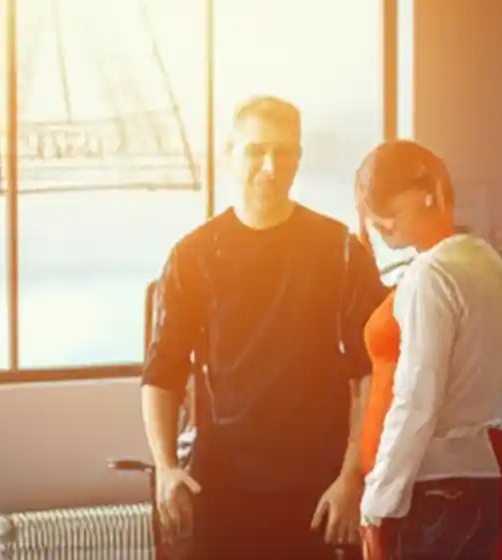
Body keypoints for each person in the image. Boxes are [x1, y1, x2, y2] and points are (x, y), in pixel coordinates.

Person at [140, 95, 388, 559]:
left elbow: (370, 371)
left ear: (298, 159)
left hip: (317, 488)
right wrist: (166, 466)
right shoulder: (194, 256)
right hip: (223, 485)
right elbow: (162, 373)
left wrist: (351, 478)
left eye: (284, 152)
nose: (270, 166)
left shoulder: (338, 249)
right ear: (230, 153)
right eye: (256, 151)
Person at [353, 140, 502, 560]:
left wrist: (376, 505)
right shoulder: (486, 262)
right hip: (476, 483)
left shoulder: (430, 274)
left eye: (383, 209)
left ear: (429, 194)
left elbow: (416, 398)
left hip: (432, 493)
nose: (378, 221)